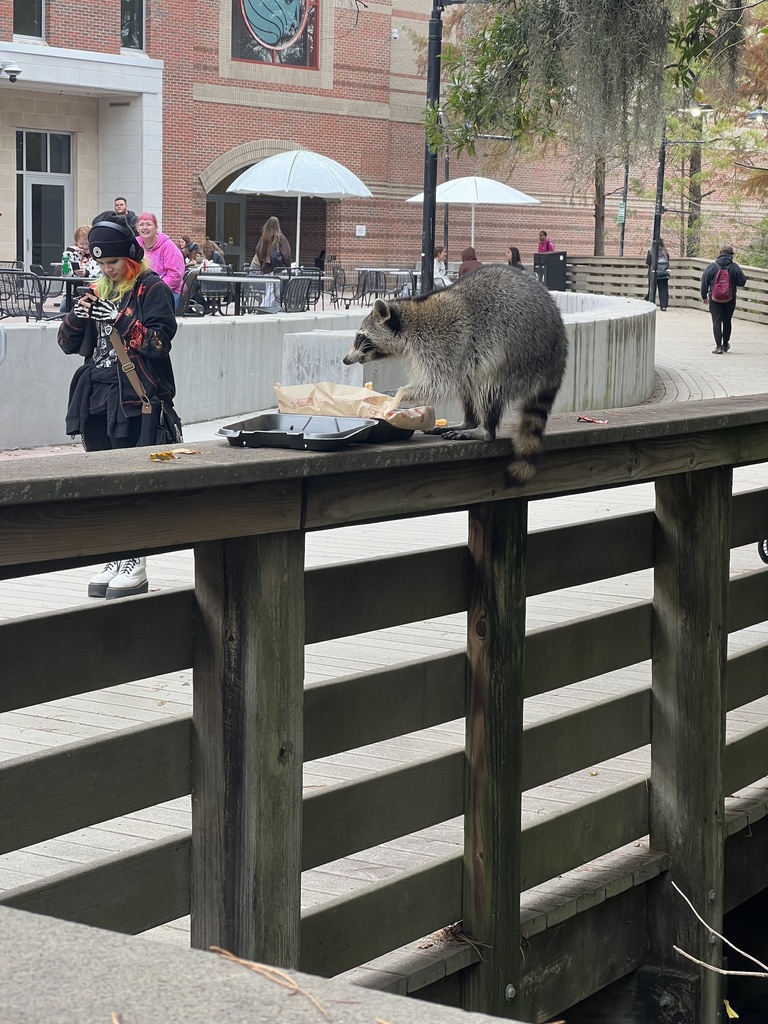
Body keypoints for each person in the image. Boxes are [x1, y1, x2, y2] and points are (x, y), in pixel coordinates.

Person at [57, 216, 178, 599]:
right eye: (101, 263)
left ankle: (135, 560)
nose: (107, 269)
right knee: (104, 482)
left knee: (131, 481)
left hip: (135, 398)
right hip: (96, 394)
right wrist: (78, 315)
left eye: (113, 262)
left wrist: (120, 319)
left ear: (130, 257)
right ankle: (114, 554)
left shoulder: (152, 287)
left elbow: (159, 344)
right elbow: (66, 342)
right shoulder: (96, 288)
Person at [700, 244, 748, 354]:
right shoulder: (735, 267)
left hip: (714, 298)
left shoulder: (712, 267)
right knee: (727, 321)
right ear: (732, 255)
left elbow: (704, 282)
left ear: (720, 254)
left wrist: (704, 297)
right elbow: (742, 282)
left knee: (716, 321)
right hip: (730, 298)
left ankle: (718, 346)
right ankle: (725, 344)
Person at [136, 212, 185, 307]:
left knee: (149, 311)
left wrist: (152, 289)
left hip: (169, 292)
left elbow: (174, 276)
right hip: (142, 293)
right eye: (141, 224)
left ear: (156, 227)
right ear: (137, 228)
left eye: (148, 224)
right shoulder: (135, 244)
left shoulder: (169, 247)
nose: (144, 227)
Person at [60, 225, 101, 311]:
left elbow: (100, 273)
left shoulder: (97, 255)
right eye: (81, 244)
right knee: (64, 306)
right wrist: (68, 252)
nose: (85, 247)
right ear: (76, 243)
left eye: (87, 244)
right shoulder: (73, 255)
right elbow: (65, 272)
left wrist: (86, 273)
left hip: (92, 293)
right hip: (72, 292)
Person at [645, 238, 671, 311]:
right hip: (664, 274)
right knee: (663, 289)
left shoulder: (651, 251)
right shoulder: (665, 251)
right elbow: (668, 261)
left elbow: (648, 262)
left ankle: (650, 303)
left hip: (653, 274)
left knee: (652, 289)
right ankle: (663, 306)